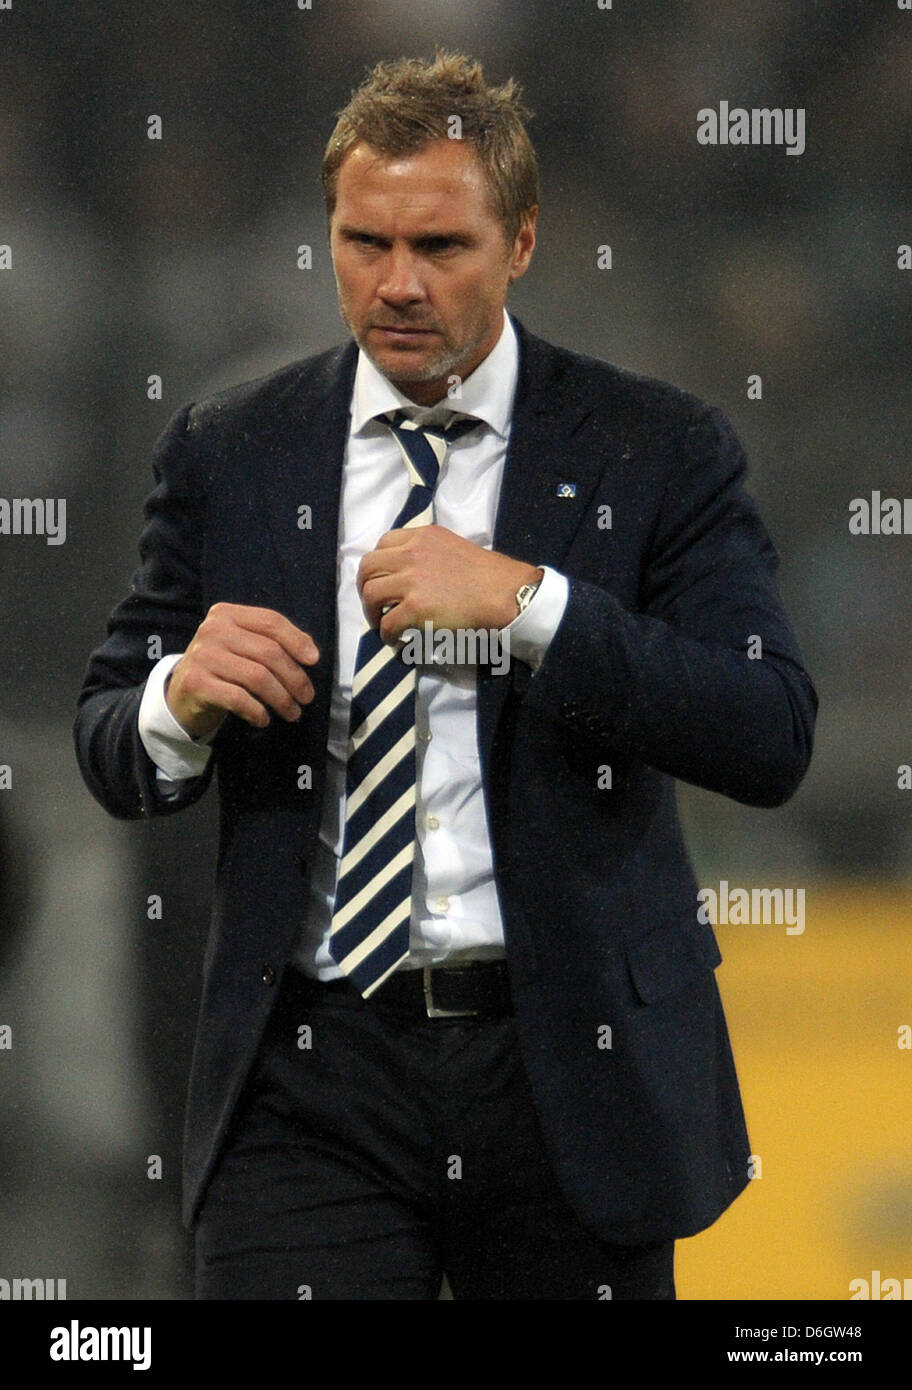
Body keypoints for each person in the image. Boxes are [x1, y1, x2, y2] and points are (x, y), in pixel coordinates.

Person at [74, 50, 818, 1300]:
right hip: (309, 1071)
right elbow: (108, 736)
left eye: (443, 246)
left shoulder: (656, 447)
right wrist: (175, 702)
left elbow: (767, 729)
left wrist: (534, 605)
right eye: (365, 242)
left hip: (564, 1063)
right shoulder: (232, 448)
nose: (398, 283)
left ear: (522, 242)